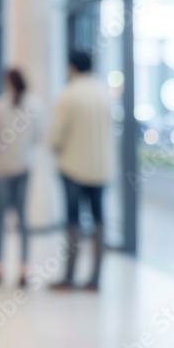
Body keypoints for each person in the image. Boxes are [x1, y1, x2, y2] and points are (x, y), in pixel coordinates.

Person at [50, 51, 114, 292]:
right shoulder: (103, 93)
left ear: (72, 68)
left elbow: (56, 135)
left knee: (73, 222)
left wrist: (56, 149)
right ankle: (96, 277)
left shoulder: (68, 95)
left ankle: (69, 275)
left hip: (73, 168)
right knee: (99, 221)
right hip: (101, 170)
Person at [0, 69, 42, 289]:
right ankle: (24, 269)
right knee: (23, 220)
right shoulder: (34, 107)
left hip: (3, 170)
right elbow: (39, 136)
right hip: (23, 167)